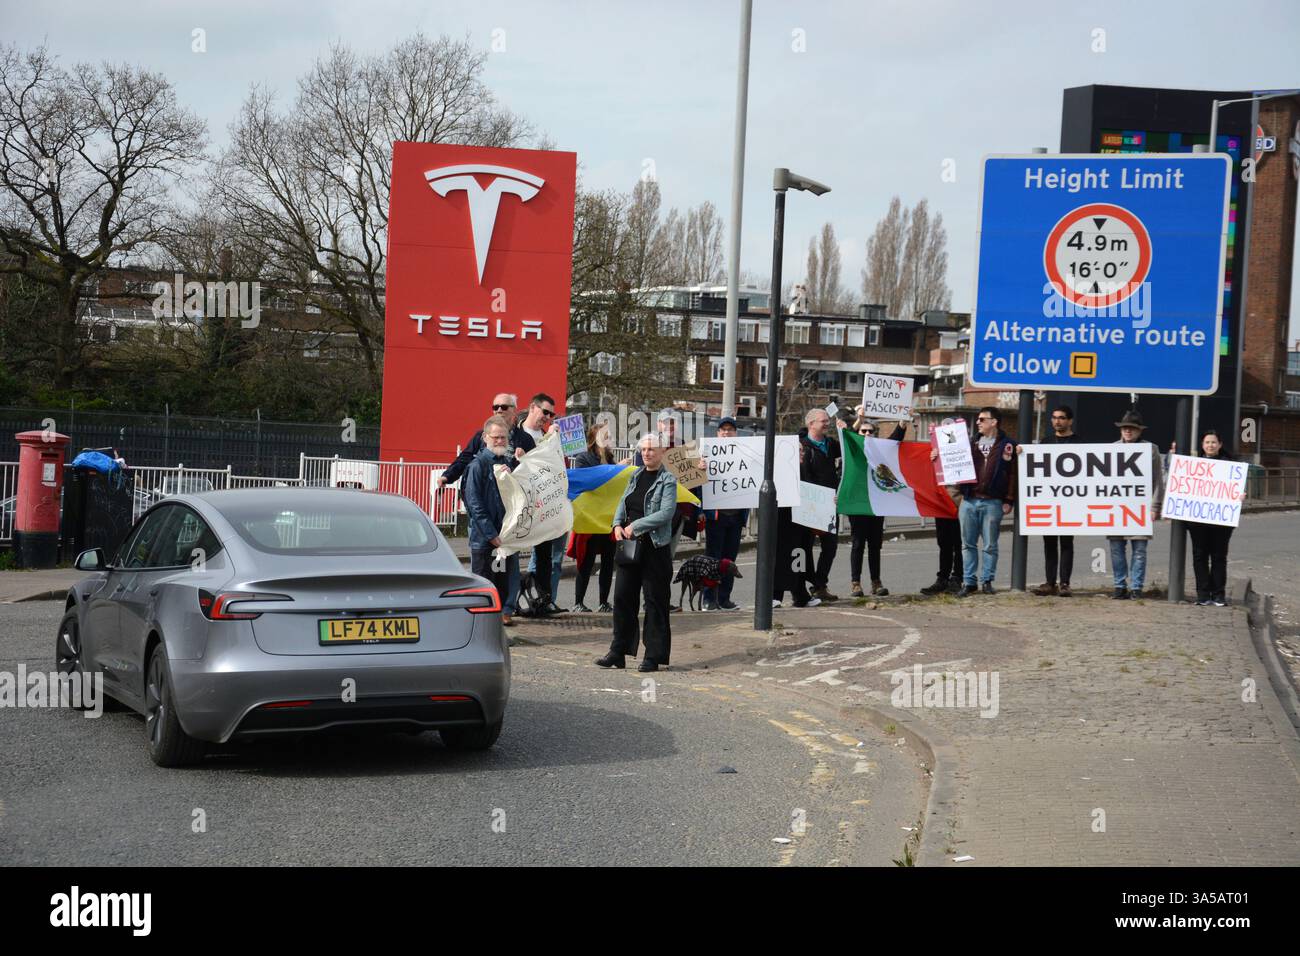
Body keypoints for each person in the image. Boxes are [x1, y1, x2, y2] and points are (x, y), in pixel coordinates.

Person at [597, 434, 680, 672]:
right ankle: (618, 651)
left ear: (662, 451)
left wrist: (636, 526)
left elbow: (666, 513)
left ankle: (653, 656)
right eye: (643, 449)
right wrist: (617, 525)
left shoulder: (668, 480)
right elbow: (622, 503)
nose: (646, 453)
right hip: (630, 547)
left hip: (654, 547)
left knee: (654, 602)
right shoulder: (635, 475)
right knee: (622, 598)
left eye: (652, 449)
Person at [841, 417, 906, 597]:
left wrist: (901, 425)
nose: (867, 434)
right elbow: (847, 438)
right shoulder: (854, 449)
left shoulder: (878, 450)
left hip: (877, 504)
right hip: (859, 504)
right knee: (858, 544)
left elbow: (893, 442)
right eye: (864, 431)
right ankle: (856, 583)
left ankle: (876, 582)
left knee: (875, 545)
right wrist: (857, 422)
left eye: (871, 431)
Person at [957, 407, 1017, 596]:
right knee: (968, 544)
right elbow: (951, 461)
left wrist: (1009, 500)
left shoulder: (1008, 445)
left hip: (993, 502)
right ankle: (969, 581)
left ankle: (987, 581)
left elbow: (1013, 474)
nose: (978, 422)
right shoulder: (970, 442)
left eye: (982, 419)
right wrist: (935, 455)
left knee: (990, 544)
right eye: (978, 419)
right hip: (969, 500)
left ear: (994, 422)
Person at [463, 415, 515, 625]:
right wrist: (491, 534)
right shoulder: (478, 466)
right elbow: (474, 504)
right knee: (484, 591)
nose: (500, 441)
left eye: (503, 437)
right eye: (496, 437)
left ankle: (496, 631)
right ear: (485, 438)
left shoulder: (507, 463)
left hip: (504, 539)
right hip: (485, 542)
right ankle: (480, 631)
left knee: (501, 589)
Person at [517, 393, 566, 616]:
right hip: (519, 503)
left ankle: (543, 600)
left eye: (551, 414)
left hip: (543, 503)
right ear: (532, 408)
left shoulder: (548, 437)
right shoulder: (516, 434)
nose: (547, 417)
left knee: (545, 554)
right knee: (510, 554)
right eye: (544, 412)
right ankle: (512, 602)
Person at [1108, 409, 1164, 600]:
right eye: (1125, 428)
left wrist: (1155, 507)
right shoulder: (1112, 448)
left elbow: (1158, 479)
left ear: (1140, 431)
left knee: (1139, 549)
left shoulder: (1151, 449)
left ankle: (1137, 587)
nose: (1128, 431)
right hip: (1116, 506)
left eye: (1132, 428)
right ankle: (1119, 584)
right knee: (1116, 547)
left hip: (1141, 506)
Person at [1032, 405, 1081, 597]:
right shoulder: (1045, 442)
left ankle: (1065, 583)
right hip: (1050, 500)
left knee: (1067, 542)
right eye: (1054, 417)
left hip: (1070, 501)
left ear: (1070, 421)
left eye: (1061, 418)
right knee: (1049, 543)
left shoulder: (1079, 443)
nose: (1057, 421)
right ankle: (1050, 582)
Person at [1187, 429, 1240, 606]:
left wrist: (1239, 495)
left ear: (1220, 445)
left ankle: (1218, 594)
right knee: (1199, 556)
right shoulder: (1192, 467)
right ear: (1202, 445)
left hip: (1221, 522)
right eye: (1207, 442)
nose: (1210, 445)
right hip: (1198, 521)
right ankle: (1202, 594)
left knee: (1218, 557)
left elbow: (1235, 489)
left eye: (1213, 442)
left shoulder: (1230, 465)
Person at [569, 422, 616, 613]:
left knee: (608, 561)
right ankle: (578, 602)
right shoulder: (583, 458)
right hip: (589, 519)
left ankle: (603, 602)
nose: (608, 439)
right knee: (586, 561)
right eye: (605, 435)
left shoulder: (611, 460)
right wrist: (614, 471)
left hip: (607, 519)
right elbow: (586, 481)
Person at [439, 393, 534, 487]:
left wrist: (524, 459)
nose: (499, 410)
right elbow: (465, 458)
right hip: (484, 488)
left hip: (510, 492)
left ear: (514, 410)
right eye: (495, 407)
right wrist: (447, 476)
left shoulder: (525, 439)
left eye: (504, 407)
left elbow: (534, 469)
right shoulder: (481, 435)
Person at [702, 416, 747, 611]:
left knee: (730, 560)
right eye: (723, 430)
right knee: (713, 559)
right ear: (717, 433)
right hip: (717, 517)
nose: (726, 433)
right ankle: (708, 598)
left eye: (730, 430)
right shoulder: (706, 455)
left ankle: (724, 598)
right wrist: (700, 470)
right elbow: (697, 485)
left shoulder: (745, 454)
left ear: (735, 433)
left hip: (736, 517)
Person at [798, 407, 842, 602]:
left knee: (830, 546)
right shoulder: (802, 447)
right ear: (811, 424)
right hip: (809, 506)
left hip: (830, 505)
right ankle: (800, 586)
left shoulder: (831, 444)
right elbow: (803, 478)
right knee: (805, 547)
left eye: (827, 420)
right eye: (823, 421)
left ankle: (819, 585)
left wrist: (847, 429)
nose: (827, 423)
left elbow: (851, 449)